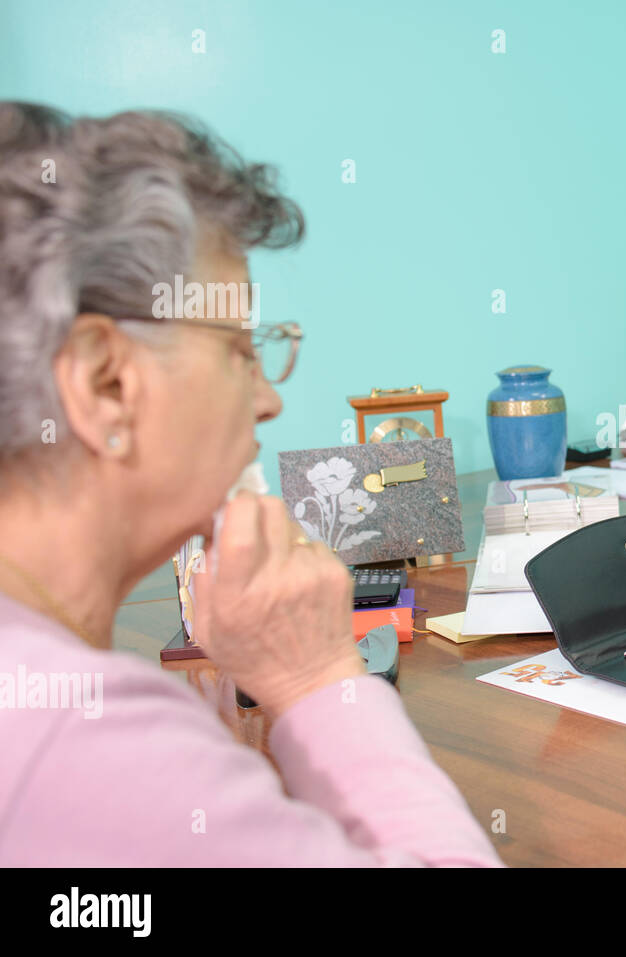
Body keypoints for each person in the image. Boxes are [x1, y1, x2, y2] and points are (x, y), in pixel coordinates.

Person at [0, 103, 501, 866]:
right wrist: (318, 675)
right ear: (105, 383)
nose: (268, 398)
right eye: (240, 350)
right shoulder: (76, 736)